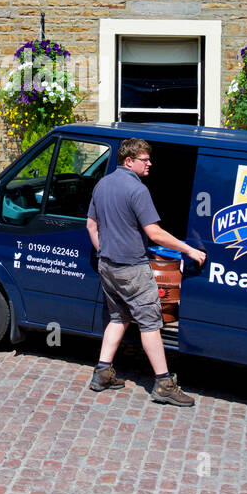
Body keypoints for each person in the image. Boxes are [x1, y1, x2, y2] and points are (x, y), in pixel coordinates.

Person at [85, 138, 207, 406]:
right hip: (133, 267)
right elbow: (154, 233)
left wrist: (104, 251)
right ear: (129, 161)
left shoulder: (102, 184)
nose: (150, 163)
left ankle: (102, 373)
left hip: (107, 265)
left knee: (118, 317)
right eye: (145, 159)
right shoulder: (137, 190)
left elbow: (91, 225)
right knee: (151, 323)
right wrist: (188, 250)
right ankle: (164, 384)